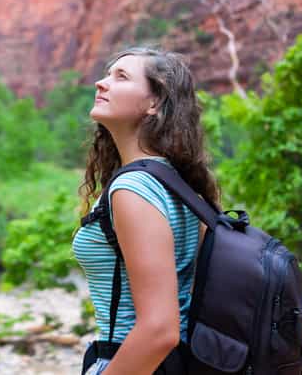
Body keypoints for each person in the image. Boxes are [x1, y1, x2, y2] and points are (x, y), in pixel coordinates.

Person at [72, 47, 221, 375]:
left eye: (120, 77)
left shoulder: (134, 190)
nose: (101, 83)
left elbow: (159, 330)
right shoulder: (176, 182)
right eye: (107, 74)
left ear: (154, 103)